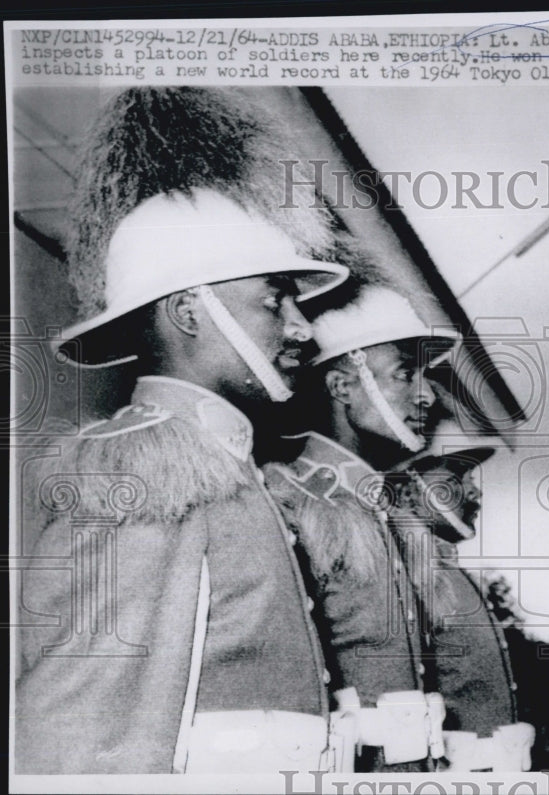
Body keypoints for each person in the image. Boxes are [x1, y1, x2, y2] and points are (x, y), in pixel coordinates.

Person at [15, 88, 352, 774]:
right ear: (190, 312)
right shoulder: (143, 477)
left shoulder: (227, 471)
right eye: (274, 299)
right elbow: (74, 738)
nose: (301, 327)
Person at [263, 285, 460, 771]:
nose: (427, 395)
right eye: (405, 374)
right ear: (342, 386)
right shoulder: (288, 500)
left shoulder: (388, 513)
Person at [385, 422, 535, 771]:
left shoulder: (446, 570)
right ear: (408, 493)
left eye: (471, 479)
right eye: (457, 479)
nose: (474, 493)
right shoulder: (406, 573)